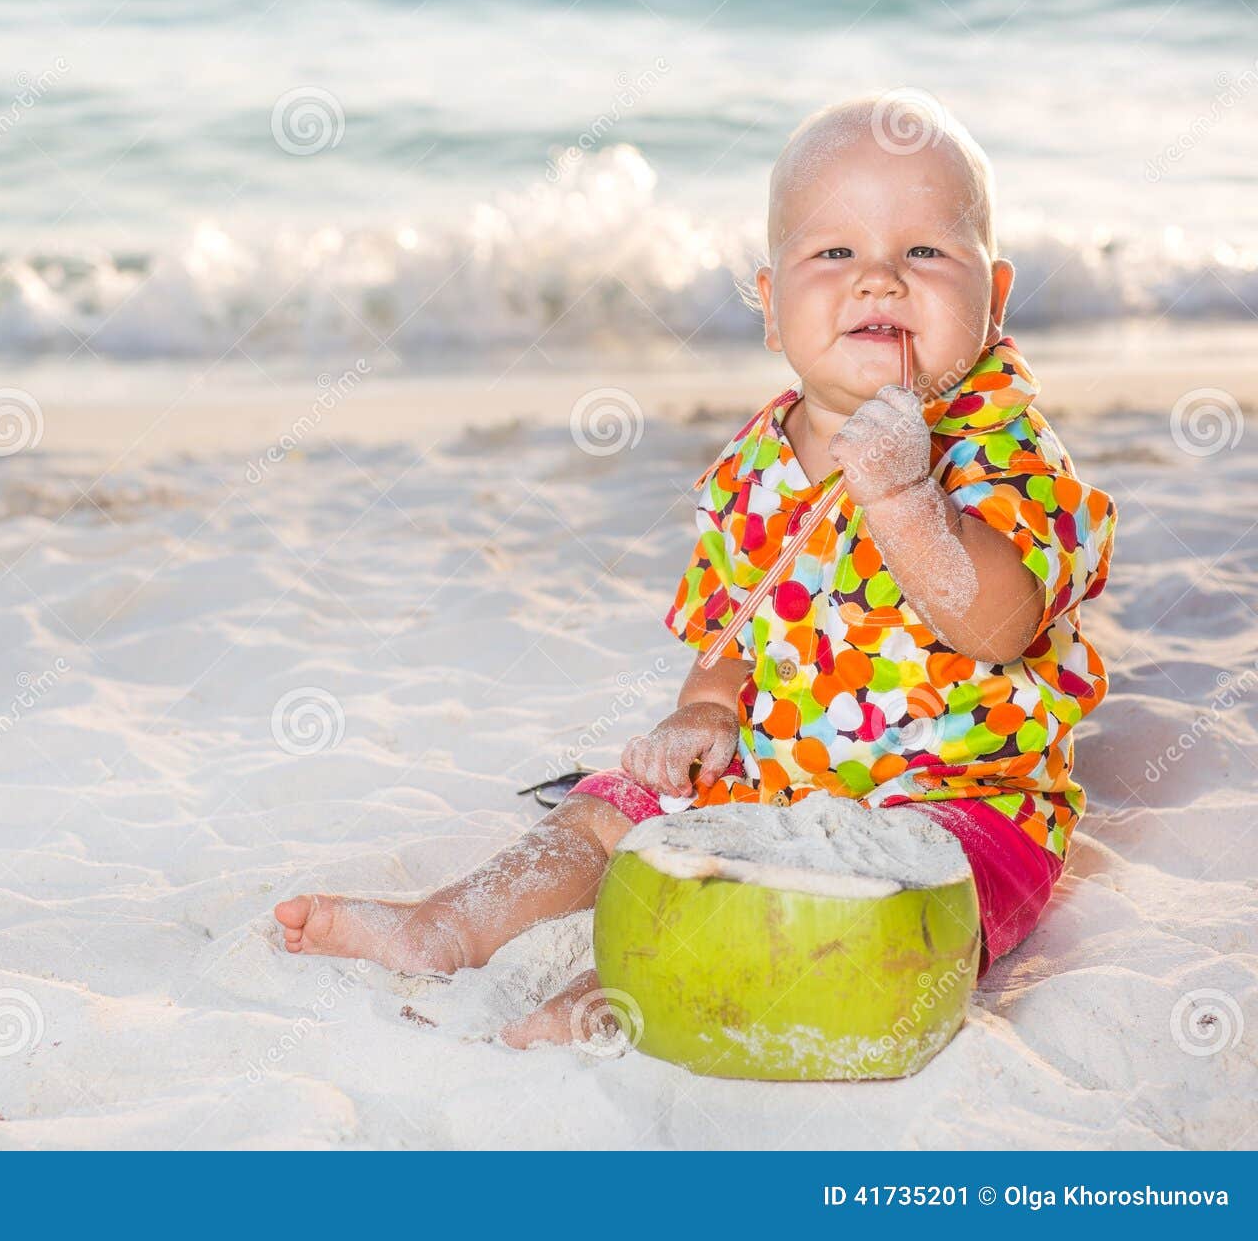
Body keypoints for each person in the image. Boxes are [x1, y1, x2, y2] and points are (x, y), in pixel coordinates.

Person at [274, 92, 1117, 1048]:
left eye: (924, 252)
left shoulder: (1009, 452)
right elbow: (734, 624)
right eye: (834, 254)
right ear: (769, 305)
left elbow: (997, 625)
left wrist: (903, 499)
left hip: (958, 806)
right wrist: (709, 710)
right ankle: (448, 925)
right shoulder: (756, 461)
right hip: (773, 775)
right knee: (607, 816)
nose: (879, 280)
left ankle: (625, 992)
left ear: (993, 296)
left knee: (857, 910)